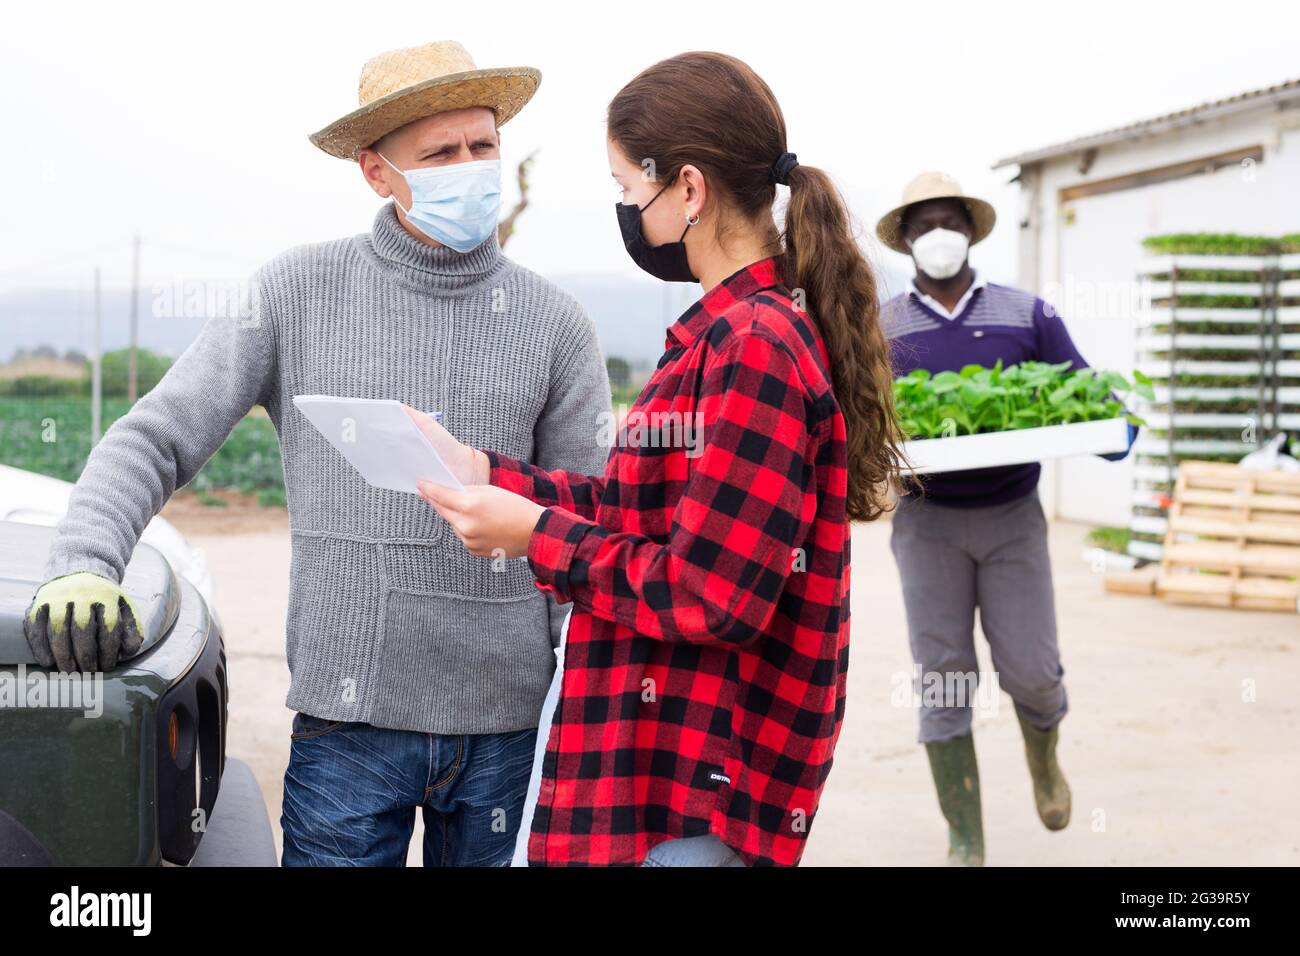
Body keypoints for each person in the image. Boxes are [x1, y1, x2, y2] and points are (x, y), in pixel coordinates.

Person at [22, 40, 611, 867]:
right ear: (376, 171)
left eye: (483, 145)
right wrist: (85, 559)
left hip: (506, 738)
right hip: (348, 730)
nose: (470, 167)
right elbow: (157, 435)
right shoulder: (294, 294)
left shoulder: (555, 326)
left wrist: (569, 714)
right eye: (441, 153)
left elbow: (591, 524)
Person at [404, 51, 904, 866]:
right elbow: (648, 512)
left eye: (626, 189)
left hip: (698, 796)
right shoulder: (725, 334)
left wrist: (536, 537)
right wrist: (487, 475)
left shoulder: (754, 350)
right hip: (662, 782)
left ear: (690, 190)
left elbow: (713, 597)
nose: (626, 209)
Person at [875, 171, 1137, 866]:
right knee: (943, 675)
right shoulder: (882, 326)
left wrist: (1115, 429)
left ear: (971, 231)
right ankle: (966, 836)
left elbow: (1080, 390)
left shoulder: (1029, 314)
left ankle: (1044, 761)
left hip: (1013, 516)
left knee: (1032, 670)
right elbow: (858, 418)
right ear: (905, 239)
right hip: (927, 521)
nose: (939, 235)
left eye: (951, 221)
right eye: (924, 223)